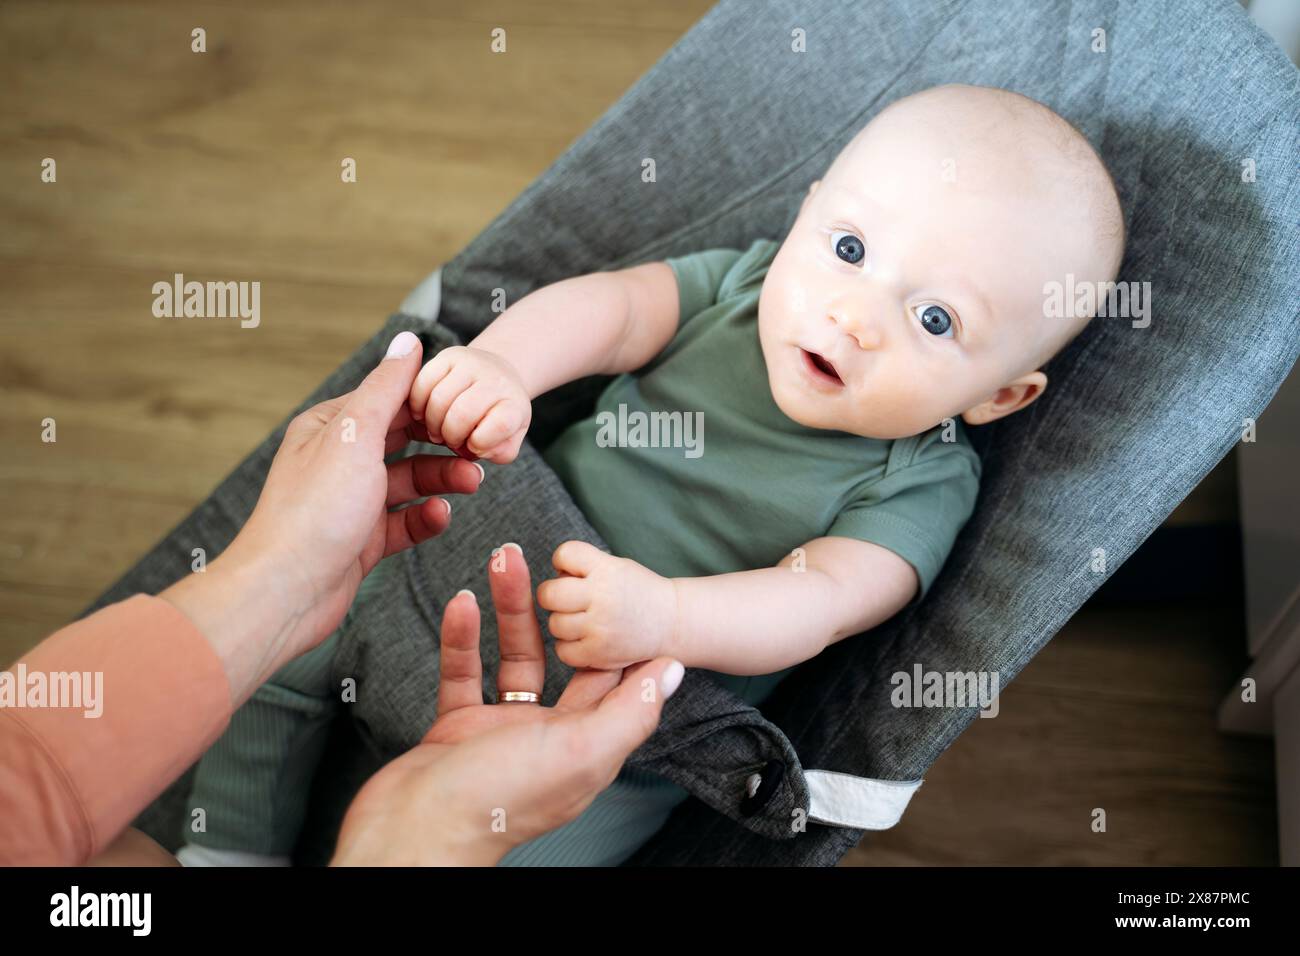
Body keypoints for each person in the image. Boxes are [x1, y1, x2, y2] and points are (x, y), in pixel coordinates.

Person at [0, 331, 682, 866]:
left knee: (268, 669)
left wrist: (283, 576)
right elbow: (619, 309)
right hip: (553, 696)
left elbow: (25, 782)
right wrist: (436, 832)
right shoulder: (741, 280)